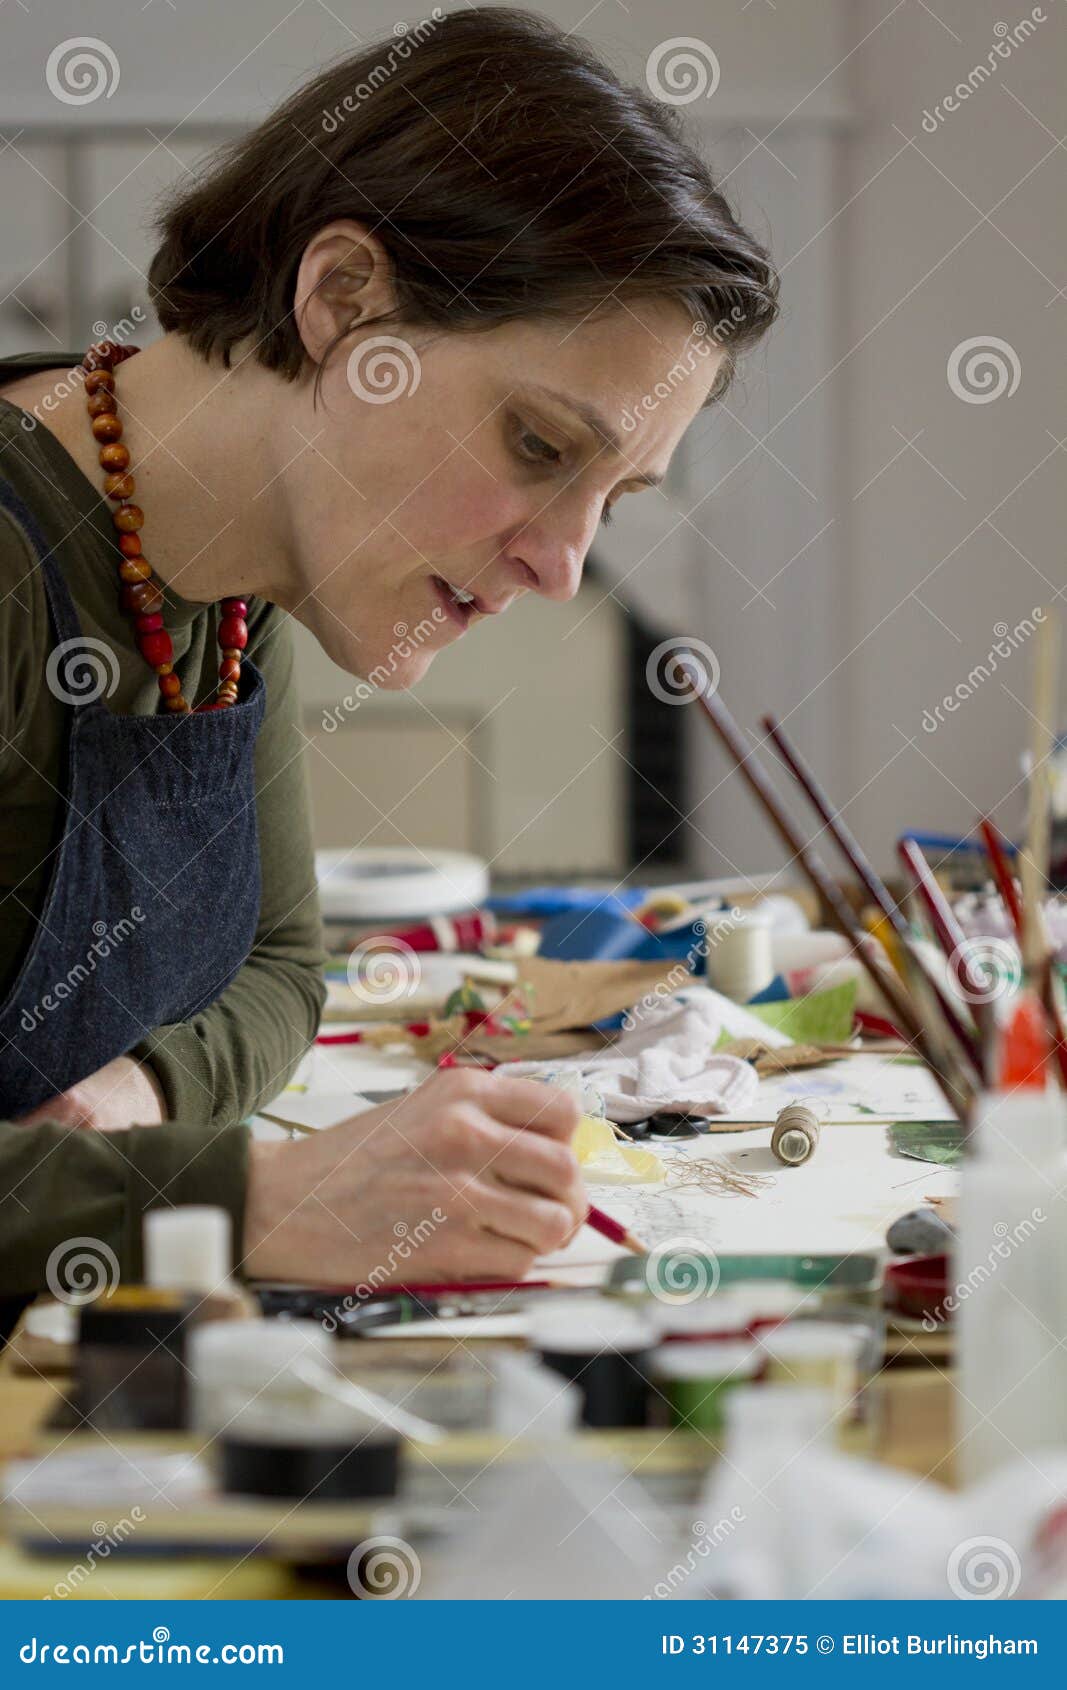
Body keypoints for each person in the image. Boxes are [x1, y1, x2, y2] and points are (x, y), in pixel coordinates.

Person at [0, 8, 778, 1295]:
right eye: (538, 446)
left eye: (612, 497)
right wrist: (245, 1200)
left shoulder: (233, 573)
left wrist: (135, 1098)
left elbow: (278, 965)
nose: (562, 564)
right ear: (341, 300)